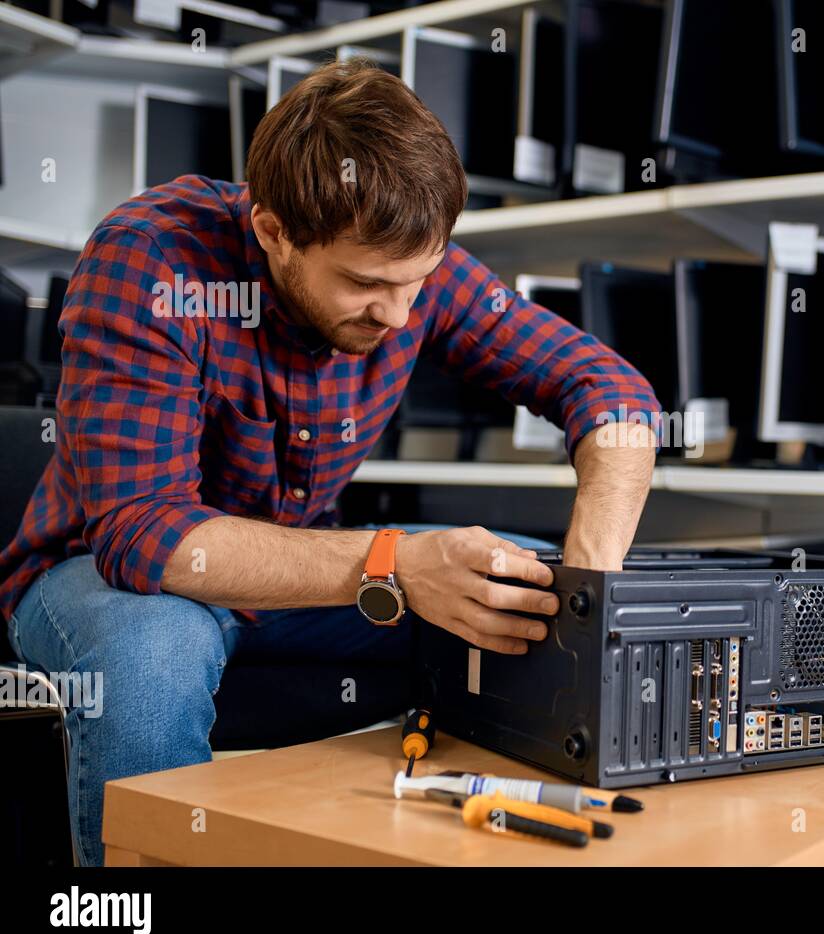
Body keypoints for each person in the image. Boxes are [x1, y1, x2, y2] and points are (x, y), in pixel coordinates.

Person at [0, 60, 659, 866]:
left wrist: (590, 584)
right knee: (154, 653)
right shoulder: (153, 259)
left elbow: (612, 393)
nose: (401, 313)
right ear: (273, 230)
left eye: (420, 282)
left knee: (523, 588)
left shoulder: (405, 266)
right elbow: (148, 536)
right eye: (365, 285)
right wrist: (394, 564)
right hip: (103, 578)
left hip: (297, 578)